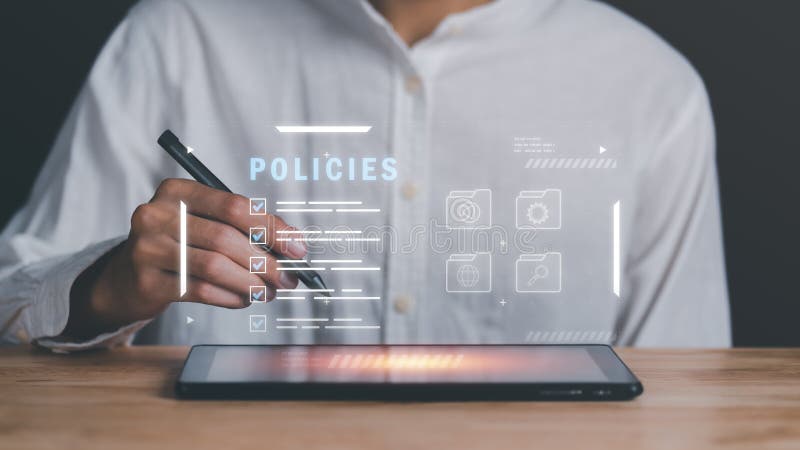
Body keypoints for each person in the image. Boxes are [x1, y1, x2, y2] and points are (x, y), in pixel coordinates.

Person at [0, 0, 730, 351]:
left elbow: (688, 391)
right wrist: (104, 288)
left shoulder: (650, 89)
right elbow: (10, 306)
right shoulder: (179, 35)